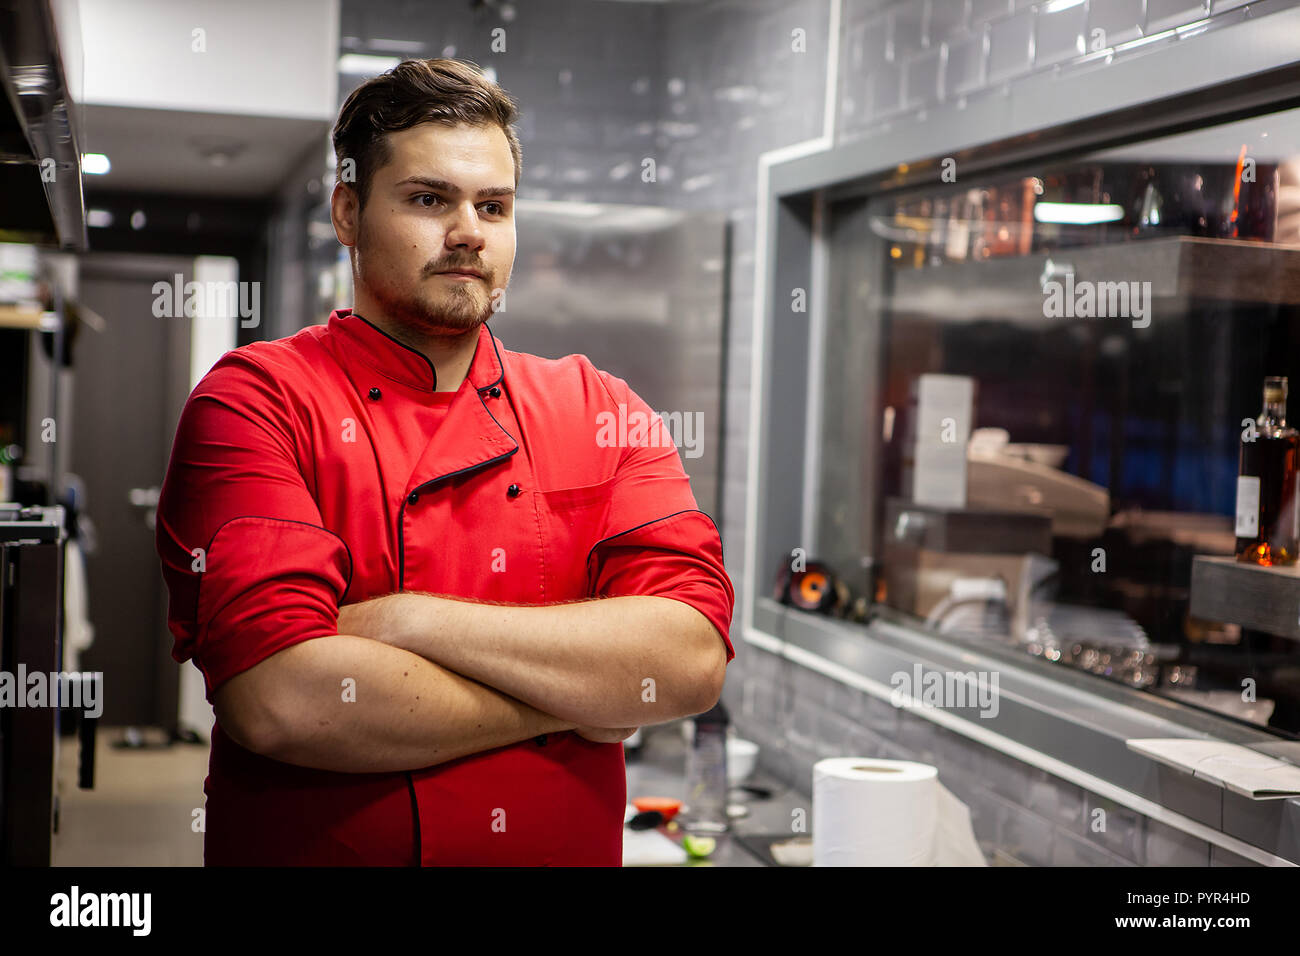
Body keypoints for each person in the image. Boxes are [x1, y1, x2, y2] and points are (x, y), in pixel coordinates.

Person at [155, 58, 735, 866]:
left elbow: (690, 657)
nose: (468, 230)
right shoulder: (256, 402)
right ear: (349, 212)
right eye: (429, 199)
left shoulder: (598, 407)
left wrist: (404, 619)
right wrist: (577, 699)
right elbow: (281, 700)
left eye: (492, 206)